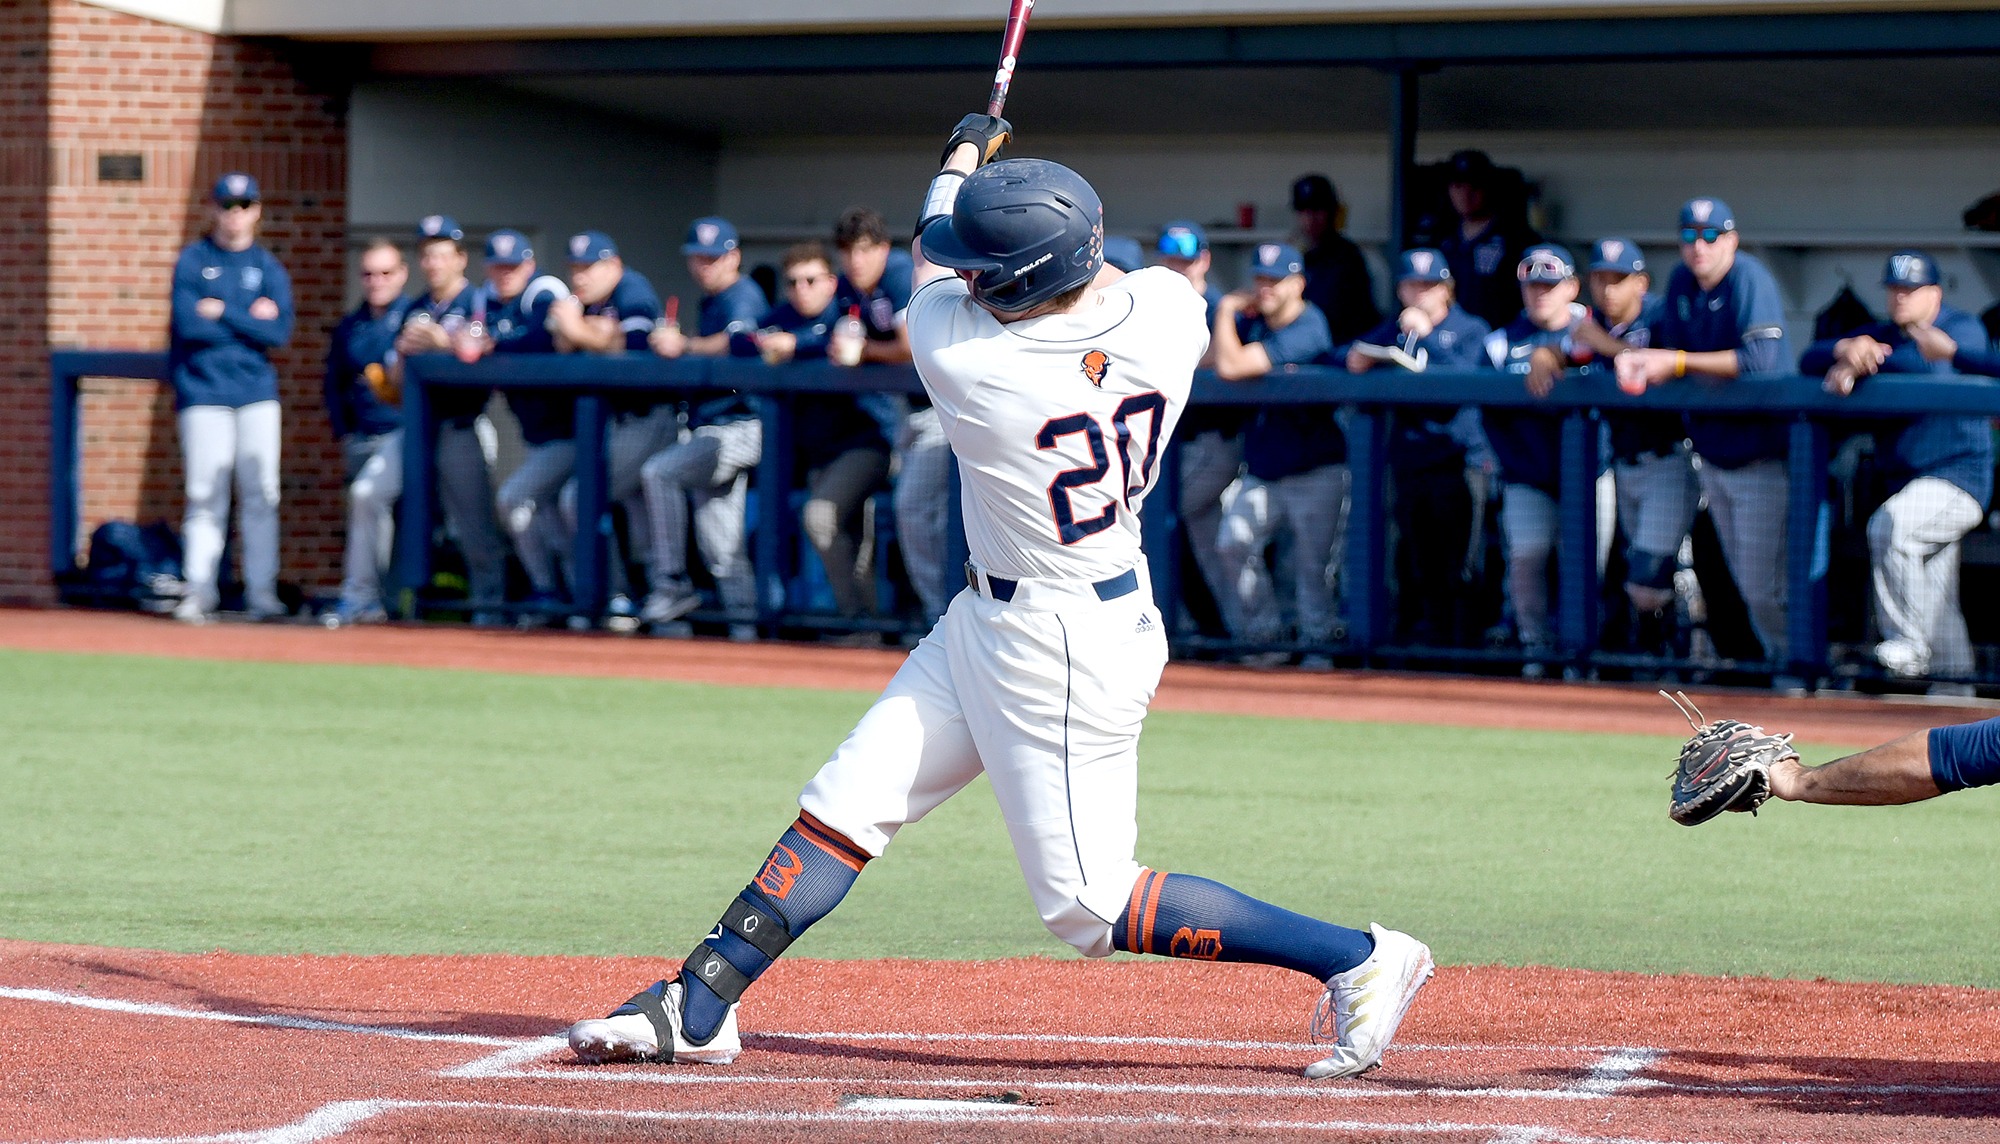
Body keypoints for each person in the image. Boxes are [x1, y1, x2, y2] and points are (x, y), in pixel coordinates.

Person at [565, 116, 1433, 1081]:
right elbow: (1052, 269)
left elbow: (928, 268)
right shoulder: (1169, 312)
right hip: (1003, 613)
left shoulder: (974, 364)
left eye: (988, 267)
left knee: (1091, 907)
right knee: (850, 799)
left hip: (1060, 641)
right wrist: (992, 196)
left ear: (1022, 281)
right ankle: (701, 999)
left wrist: (960, 159)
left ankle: (1359, 959)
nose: (969, 276)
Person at [1801, 250, 1992, 689]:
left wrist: (1864, 364)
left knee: (1892, 527)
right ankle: (1956, 692)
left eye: (1911, 289)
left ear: (1934, 293)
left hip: (1959, 479)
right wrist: (1845, 348)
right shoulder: (1880, 334)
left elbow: (1932, 367)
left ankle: (1907, 643)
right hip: (1909, 481)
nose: (1901, 297)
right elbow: (1808, 359)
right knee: (1937, 599)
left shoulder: (1961, 327)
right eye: (1895, 289)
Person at [1615, 199, 1793, 669]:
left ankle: (1798, 672)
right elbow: (1662, 346)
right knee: (1743, 582)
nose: (1699, 246)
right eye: (1690, 236)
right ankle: (1778, 669)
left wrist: (1676, 362)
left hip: (1763, 456)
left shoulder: (1748, 278)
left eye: (1711, 235)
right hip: (1713, 457)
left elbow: (1760, 363)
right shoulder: (1679, 282)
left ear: (1731, 240)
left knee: (1764, 586)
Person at [1347, 249, 1492, 646]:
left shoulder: (1470, 329)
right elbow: (1351, 351)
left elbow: (1461, 384)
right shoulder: (1397, 329)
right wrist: (1358, 357)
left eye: (1429, 286)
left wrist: (1427, 336)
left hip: (1459, 461)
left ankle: (1467, 650)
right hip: (1411, 462)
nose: (1420, 294)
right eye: (1412, 285)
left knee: (1462, 563)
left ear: (1447, 290)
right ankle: (1422, 646)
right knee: (1415, 560)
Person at [742, 243, 891, 627]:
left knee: (820, 517)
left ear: (828, 281)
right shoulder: (781, 318)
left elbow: (841, 339)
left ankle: (856, 618)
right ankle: (869, 630)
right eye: (792, 282)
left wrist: (797, 346)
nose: (801, 289)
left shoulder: (846, 311)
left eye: (810, 280)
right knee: (853, 544)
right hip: (817, 454)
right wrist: (765, 345)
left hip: (865, 445)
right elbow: (744, 340)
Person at [167, 172, 293, 623]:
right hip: (204, 392)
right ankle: (199, 593)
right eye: (227, 205)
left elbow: (278, 332)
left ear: (257, 211)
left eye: (243, 205)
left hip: (256, 394)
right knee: (204, 494)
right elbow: (188, 325)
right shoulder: (193, 261)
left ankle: (262, 594)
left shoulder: (268, 268)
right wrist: (248, 320)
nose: (234, 214)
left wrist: (222, 309)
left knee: (261, 494)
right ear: (212, 209)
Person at [1212, 242, 1346, 664]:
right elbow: (1216, 361)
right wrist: (1230, 315)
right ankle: (1266, 637)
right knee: (1232, 542)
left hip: (1317, 468)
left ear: (1298, 284)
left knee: (1312, 570)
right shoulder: (1253, 326)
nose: (1265, 287)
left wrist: (1224, 308)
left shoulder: (1311, 324)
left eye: (1276, 279)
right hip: (1266, 468)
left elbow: (1233, 368)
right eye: (1260, 278)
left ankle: (1318, 650)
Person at [638, 217, 769, 634]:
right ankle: (745, 630)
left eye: (713, 258)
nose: (704, 266)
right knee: (721, 546)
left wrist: (685, 345)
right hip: (716, 428)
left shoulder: (742, 292)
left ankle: (672, 582)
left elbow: (740, 341)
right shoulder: (711, 301)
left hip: (744, 425)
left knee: (659, 471)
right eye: (698, 258)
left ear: (734, 257)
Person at [1574, 239, 1695, 659]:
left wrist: (1602, 343)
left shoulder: (1660, 315)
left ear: (1640, 283)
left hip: (1667, 458)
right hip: (1619, 468)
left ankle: (1683, 640)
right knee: (1630, 576)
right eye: (1601, 279)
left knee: (1646, 579)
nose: (1608, 289)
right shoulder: (1589, 326)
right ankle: (1657, 657)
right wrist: (1546, 356)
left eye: (1619, 280)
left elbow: (1654, 364)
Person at [388, 214, 510, 624]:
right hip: (421, 428)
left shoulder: (478, 301)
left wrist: (441, 342)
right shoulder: (416, 306)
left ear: (460, 258)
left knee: (474, 526)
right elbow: (395, 380)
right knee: (415, 518)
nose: (434, 263)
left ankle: (490, 606)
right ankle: (414, 603)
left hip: (463, 424)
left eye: (442, 254)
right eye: (427, 255)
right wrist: (405, 352)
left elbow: (482, 363)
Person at [549, 231, 671, 624]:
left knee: (578, 498)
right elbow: (563, 346)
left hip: (653, 416)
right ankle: (641, 601)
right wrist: (582, 331)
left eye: (590, 267)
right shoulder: (589, 302)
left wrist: (575, 327)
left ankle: (615, 595)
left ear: (614, 266)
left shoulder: (634, 289)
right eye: (575, 269)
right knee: (639, 516)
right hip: (621, 424)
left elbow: (631, 345)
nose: (580, 277)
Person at [1480, 244, 1591, 672]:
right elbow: (1483, 413)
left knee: (1586, 568)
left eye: (1550, 284)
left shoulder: (1591, 332)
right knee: (1527, 557)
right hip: (1527, 474)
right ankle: (1536, 648)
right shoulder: (1499, 342)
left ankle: (1583, 656)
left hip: (1587, 473)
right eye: (1533, 286)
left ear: (1571, 288)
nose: (1540, 293)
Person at [830, 208, 942, 624]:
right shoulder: (851, 286)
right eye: (847, 251)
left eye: (864, 250)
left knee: (916, 511)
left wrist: (865, 354)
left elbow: (912, 347)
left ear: (881, 248)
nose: (855, 261)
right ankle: (933, 613)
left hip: (942, 413)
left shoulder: (898, 272)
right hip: (907, 414)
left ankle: (940, 616)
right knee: (914, 515)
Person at [476, 231, 575, 617]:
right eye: (498, 267)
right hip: (537, 435)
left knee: (516, 499)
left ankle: (561, 592)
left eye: (513, 266)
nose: (505, 274)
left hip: (573, 434)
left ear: (529, 265)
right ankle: (561, 598)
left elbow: (539, 340)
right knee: (553, 524)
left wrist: (496, 344)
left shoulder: (544, 290)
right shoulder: (485, 299)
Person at [1155, 220, 1242, 636]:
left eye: (1187, 260)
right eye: (1172, 260)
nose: (1180, 268)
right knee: (1207, 544)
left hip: (1214, 440)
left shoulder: (1220, 306)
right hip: (1172, 443)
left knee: (1157, 512)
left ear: (1204, 259)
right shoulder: (1153, 307)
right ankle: (1219, 630)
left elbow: (1224, 359)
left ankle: (1217, 628)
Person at [322, 240, 412, 626]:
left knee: (369, 499)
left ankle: (364, 595)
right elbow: (333, 382)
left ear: (403, 274)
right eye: (369, 274)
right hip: (362, 436)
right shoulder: (351, 324)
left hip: (404, 435)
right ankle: (375, 603)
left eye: (385, 273)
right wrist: (343, 430)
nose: (376, 282)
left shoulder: (415, 316)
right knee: (368, 514)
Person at [1436, 151, 1541, 332]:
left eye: (1474, 186)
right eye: (1458, 185)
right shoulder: (1441, 237)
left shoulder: (1516, 238)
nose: (1465, 194)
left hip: (1500, 339)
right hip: (1451, 340)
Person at [1291, 174, 1382, 342]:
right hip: (1305, 345)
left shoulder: (1348, 257)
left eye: (1317, 210)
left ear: (1331, 212)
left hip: (1343, 349)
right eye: (1304, 211)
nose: (1310, 218)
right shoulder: (1295, 255)